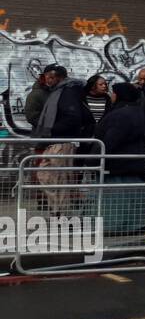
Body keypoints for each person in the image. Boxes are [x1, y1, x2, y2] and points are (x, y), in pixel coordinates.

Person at [94, 83, 145, 235]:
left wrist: (94, 158)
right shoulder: (136, 111)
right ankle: (140, 224)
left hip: (118, 166)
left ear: (121, 95)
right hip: (131, 165)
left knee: (117, 205)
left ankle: (118, 227)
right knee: (133, 204)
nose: (112, 95)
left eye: (114, 92)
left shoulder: (121, 114)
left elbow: (111, 141)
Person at [34, 66, 92, 213]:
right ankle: (59, 211)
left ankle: (62, 214)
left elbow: (73, 117)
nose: (47, 80)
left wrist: (51, 130)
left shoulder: (67, 92)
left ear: (59, 77)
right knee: (48, 176)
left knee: (58, 180)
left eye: (50, 77)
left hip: (62, 142)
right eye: (46, 76)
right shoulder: (59, 91)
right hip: (55, 142)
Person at [23, 64, 58, 129]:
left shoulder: (57, 91)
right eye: (51, 77)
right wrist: (53, 126)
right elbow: (32, 117)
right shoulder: (36, 94)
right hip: (43, 136)